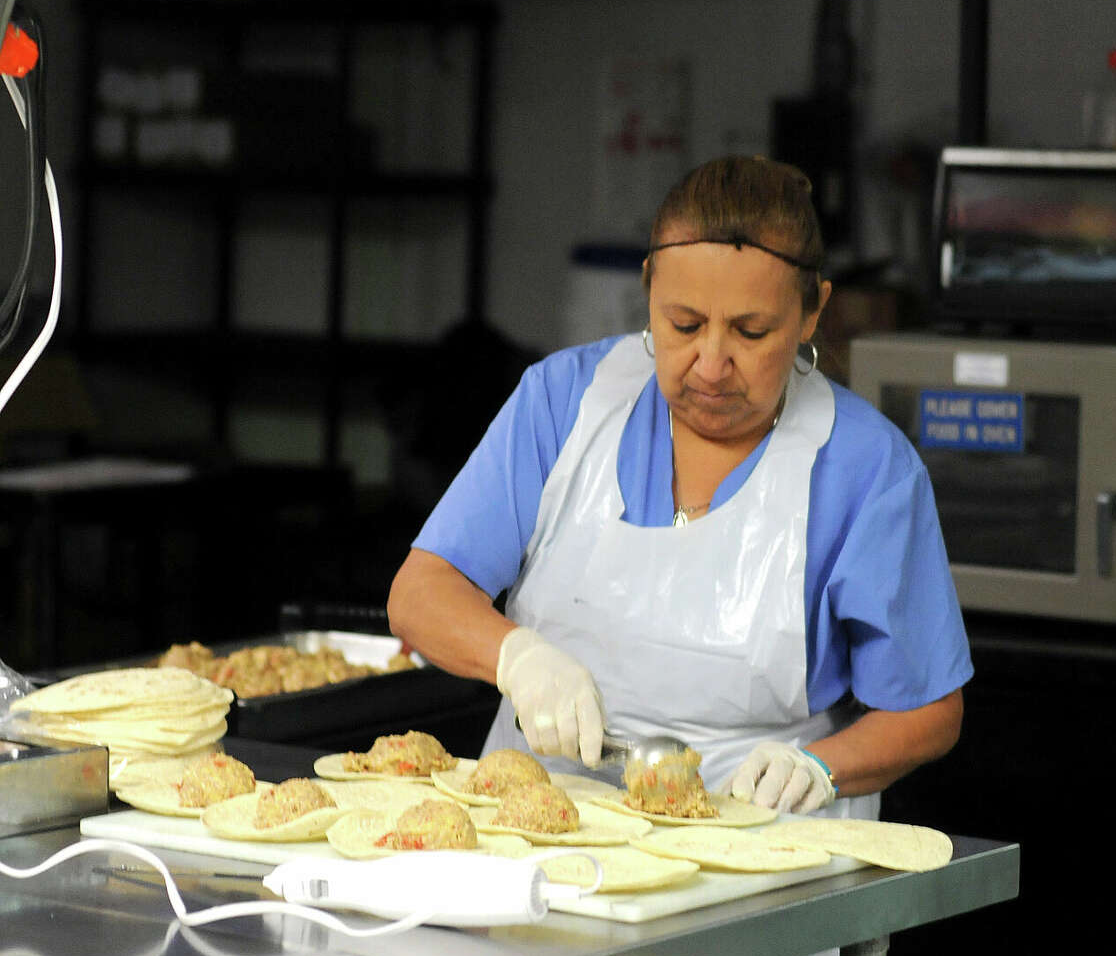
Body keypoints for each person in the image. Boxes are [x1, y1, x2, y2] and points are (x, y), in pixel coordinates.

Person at [388, 154, 967, 870]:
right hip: (533, 852)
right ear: (647, 291)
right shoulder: (565, 402)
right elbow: (420, 591)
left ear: (814, 309)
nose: (712, 362)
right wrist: (518, 656)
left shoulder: (863, 468)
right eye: (684, 323)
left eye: (751, 332)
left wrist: (822, 766)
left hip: (755, 859)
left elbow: (929, 708)